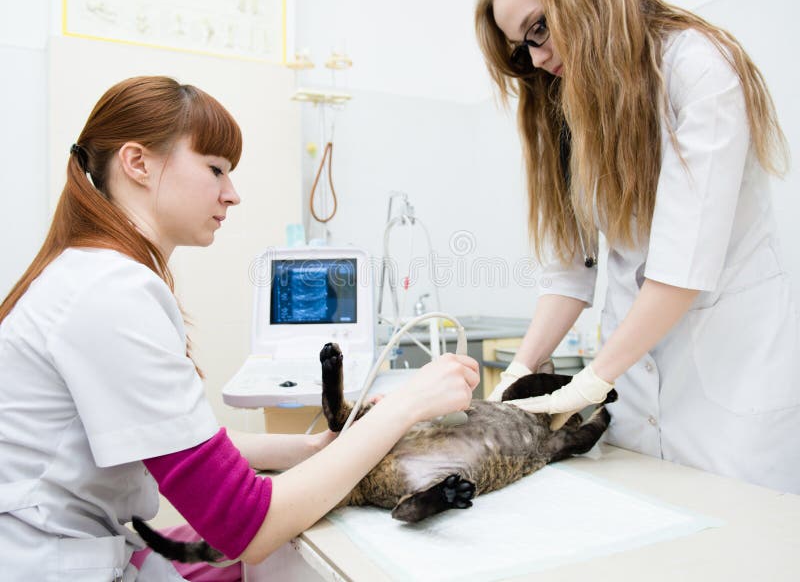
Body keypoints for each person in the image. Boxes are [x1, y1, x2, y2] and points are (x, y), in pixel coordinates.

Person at [0, 76, 480, 581]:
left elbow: (180, 440)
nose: (232, 195)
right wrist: (408, 405)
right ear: (137, 163)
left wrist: (312, 449)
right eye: (215, 169)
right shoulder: (109, 293)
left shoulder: (93, 273)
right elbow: (246, 527)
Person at [475, 0, 798, 493]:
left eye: (539, 28)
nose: (537, 57)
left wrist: (593, 378)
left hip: (733, 383)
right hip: (636, 393)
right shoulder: (571, 104)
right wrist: (520, 371)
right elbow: (570, 271)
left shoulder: (698, 67)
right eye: (522, 48)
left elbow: (682, 265)